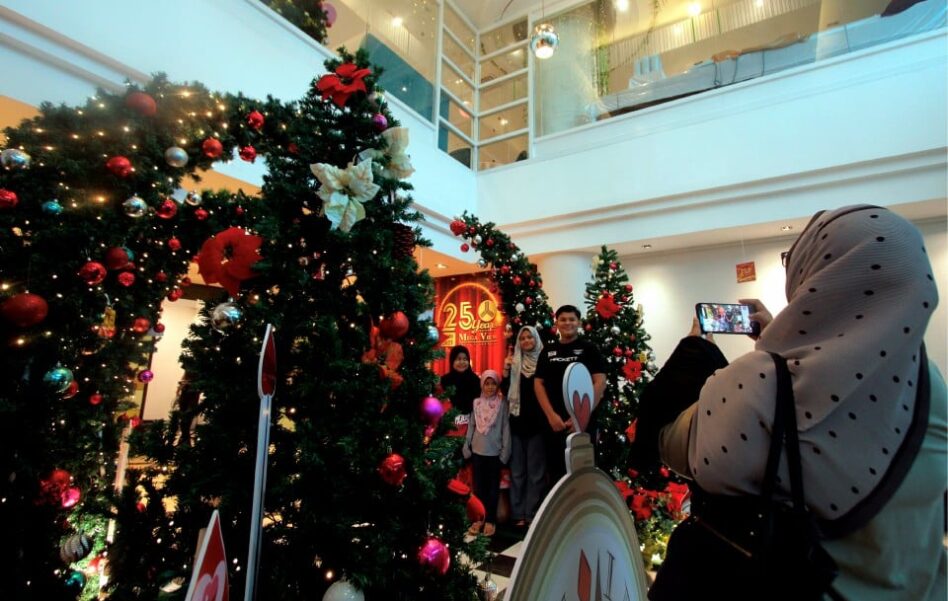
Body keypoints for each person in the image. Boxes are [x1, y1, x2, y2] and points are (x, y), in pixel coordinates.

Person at [632, 205, 945, 600]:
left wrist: (696, 350)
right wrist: (780, 340)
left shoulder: (758, 385)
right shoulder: (930, 384)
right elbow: (841, 375)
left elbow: (673, 443)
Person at [534, 304, 607, 482]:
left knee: (583, 471)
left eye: (572, 319)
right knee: (556, 471)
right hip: (554, 424)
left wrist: (581, 417)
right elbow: (538, 384)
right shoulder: (547, 351)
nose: (568, 323)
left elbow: (599, 382)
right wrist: (551, 415)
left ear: (579, 323)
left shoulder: (589, 349)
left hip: (583, 423)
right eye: (563, 319)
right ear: (556, 323)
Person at [502, 326, 548, 527]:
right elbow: (505, 391)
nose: (527, 340)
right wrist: (505, 370)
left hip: (537, 425)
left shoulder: (544, 363)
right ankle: (518, 513)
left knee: (536, 473)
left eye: (530, 337)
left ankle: (532, 514)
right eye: (523, 338)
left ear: (536, 339)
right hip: (517, 424)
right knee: (518, 471)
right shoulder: (514, 363)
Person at [463, 370, 511, 537]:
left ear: (497, 385)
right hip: (477, 451)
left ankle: (490, 520)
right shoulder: (476, 403)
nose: (490, 387)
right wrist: (466, 446)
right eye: (487, 383)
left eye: (493, 384)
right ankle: (479, 519)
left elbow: (505, 428)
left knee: (492, 489)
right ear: (482, 385)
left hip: (494, 453)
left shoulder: (502, 403)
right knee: (478, 488)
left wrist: (505, 452)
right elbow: (471, 425)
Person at [440, 344, 480, 422]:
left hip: (472, 425)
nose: (462, 362)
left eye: (465, 359)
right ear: (452, 361)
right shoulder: (445, 380)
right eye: (458, 359)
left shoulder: (475, 380)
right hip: (449, 426)